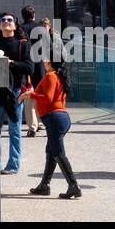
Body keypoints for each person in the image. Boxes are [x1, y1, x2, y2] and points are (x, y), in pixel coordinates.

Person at [27, 57, 80, 199]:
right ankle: (45, 185)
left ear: (50, 62)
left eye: (46, 58)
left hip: (54, 119)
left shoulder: (51, 76)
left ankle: (73, 185)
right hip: (59, 118)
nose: (43, 60)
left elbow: (48, 98)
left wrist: (30, 94)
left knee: (58, 153)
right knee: (51, 151)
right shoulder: (58, 76)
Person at [0, 13, 32, 176]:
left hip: (15, 91)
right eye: (3, 20)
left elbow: (29, 68)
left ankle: (13, 165)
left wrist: (11, 63)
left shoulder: (22, 44)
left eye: (10, 20)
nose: (6, 22)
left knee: (14, 129)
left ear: (15, 26)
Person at [19, 5, 44, 136]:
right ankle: (41, 121)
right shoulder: (40, 28)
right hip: (40, 64)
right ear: (34, 15)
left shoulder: (21, 29)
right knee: (40, 93)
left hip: (27, 64)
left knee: (29, 94)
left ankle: (32, 125)